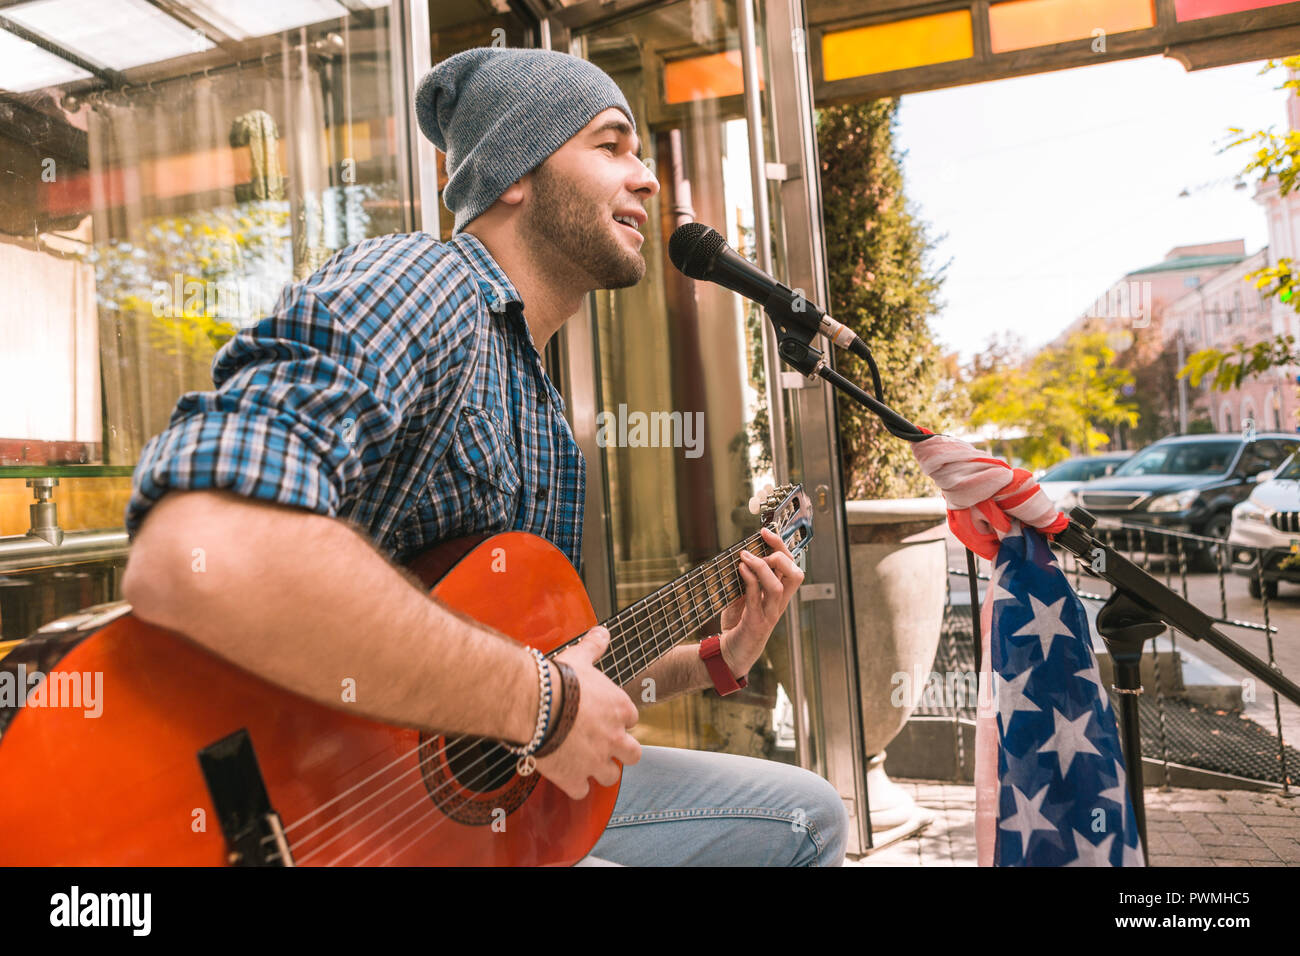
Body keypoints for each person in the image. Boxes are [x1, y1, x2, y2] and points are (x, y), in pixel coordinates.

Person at [122, 46, 848, 866]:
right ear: (513, 172)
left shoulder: (539, 407)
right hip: (301, 809)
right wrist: (539, 700)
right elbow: (200, 554)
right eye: (610, 145)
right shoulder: (422, 286)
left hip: (440, 808)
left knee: (810, 814)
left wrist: (721, 654)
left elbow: (550, 683)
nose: (646, 178)